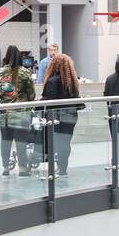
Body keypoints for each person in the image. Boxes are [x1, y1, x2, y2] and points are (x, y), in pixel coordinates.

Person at [0, 44, 35, 176]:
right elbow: (32, 95)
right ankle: (22, 169)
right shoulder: (25, 72)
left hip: (4, 114)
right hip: (21, 114)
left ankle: (5, 168)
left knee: (5, 142)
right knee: (21, 142)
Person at [40, 52, 82, 181]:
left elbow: (49, 100)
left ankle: (57, 169)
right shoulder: (72, 81)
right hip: (71, 116)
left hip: (56, 116)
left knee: (56, 143)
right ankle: (63, 168)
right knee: (65, 142)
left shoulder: (52, 81)